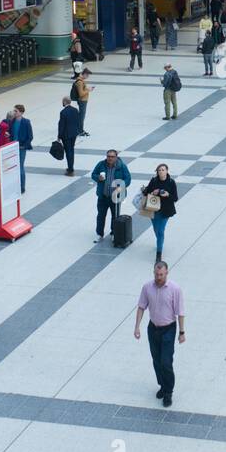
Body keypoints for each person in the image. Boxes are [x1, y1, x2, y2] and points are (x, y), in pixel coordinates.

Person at [134, 260, 185, 407]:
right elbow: (141, 307)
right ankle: (162, 385)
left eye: (161, 274)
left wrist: (182, 332)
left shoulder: (175, 289)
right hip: (153, 328)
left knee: (166, 361)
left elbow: (180, 312)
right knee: (156, 360)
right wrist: (137, 327)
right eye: (156, 274)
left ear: (167, 273)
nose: (159, 277)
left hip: (168, 329)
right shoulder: (147, 287)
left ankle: (168, 391)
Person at [92, 149, 132, 243]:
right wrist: (98, 177)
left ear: (116, 157)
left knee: (115, 216)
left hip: (116, 197)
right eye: (108, 156)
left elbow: (128, 179)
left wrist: (121, 187)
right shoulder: (101, 164)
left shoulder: (121, 166)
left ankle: (114, 233)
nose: (110, 158)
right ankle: (99, 234)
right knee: (101, 215)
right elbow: (93, 174)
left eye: (112, 156)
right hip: (103, 196)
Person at [142, 164, 179, 263]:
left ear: (167, 171)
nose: (161, 172)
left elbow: (175, 198)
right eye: (159, 170)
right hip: (153, 208)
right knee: (156, 229)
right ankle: (160, 242)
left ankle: (159, 253)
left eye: (163, 170)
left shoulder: (171, 182)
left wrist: (167, 195)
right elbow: (146, 192)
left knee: (161, 231)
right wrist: (152, 192)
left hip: (165, 211)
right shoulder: (154, 181)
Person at [11, 104, 33, 194]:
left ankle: (22, 186)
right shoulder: (12, 121)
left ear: (21, 112)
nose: (14, 112)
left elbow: (30, 136)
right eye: (14, 111)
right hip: (13, 146)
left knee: (20, 167)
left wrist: (24, 145)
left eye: (16, 111)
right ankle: (15, 184)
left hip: (21, 147)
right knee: (14, 167)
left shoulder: (26, 122)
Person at [56, 96, 80, 176]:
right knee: (71, 150)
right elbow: (78, 121)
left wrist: (59, 136)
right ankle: (71, 167)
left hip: (66, 135)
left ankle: (70, 170)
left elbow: (61, 125)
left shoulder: (63, 112)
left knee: (68, 152)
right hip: (74, 134)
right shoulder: (75, 110)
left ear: (65, 102)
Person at [73, 70, 93, 137]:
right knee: (81, 117)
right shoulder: (80, 82)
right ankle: (80, 131)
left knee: (81, 116)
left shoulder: (81, 81)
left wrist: (87, 89)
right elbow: (81, 94)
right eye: (87, 75)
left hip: (83, 101)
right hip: (82, 101)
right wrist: (88, 90)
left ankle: (80, 130)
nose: (88, 76)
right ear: (83, 74)